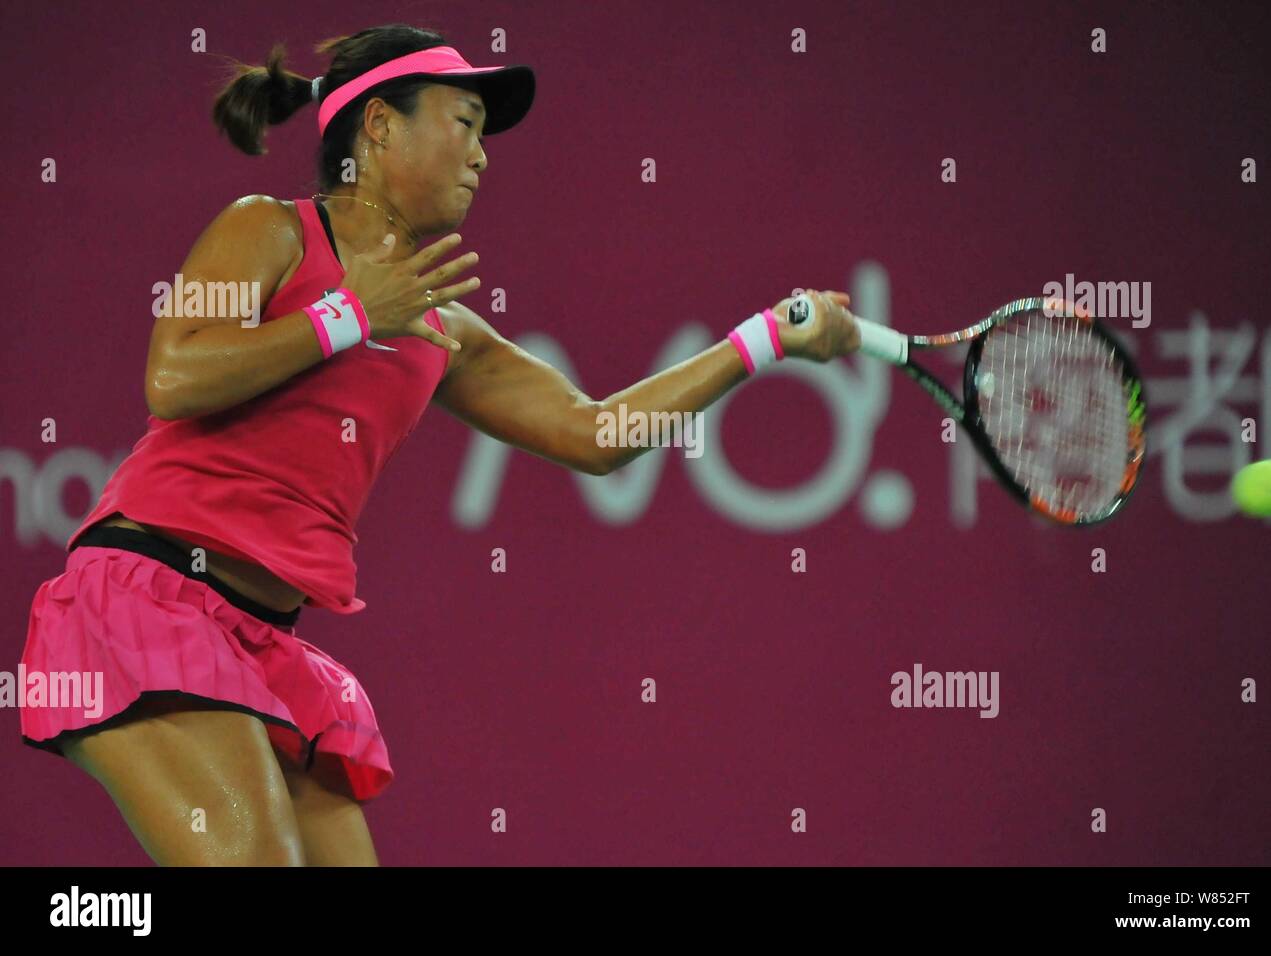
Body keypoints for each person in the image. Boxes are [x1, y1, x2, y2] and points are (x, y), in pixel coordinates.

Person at [18, 22, 860, 866]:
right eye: (464, 122)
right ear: (379, 126)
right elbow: (174, 377)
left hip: (264, 635)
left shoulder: (441, 328)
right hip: (145, 598)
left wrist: (767, 340)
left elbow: (599, 434)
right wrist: (348, 317)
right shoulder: (269, 230)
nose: (483, 155)